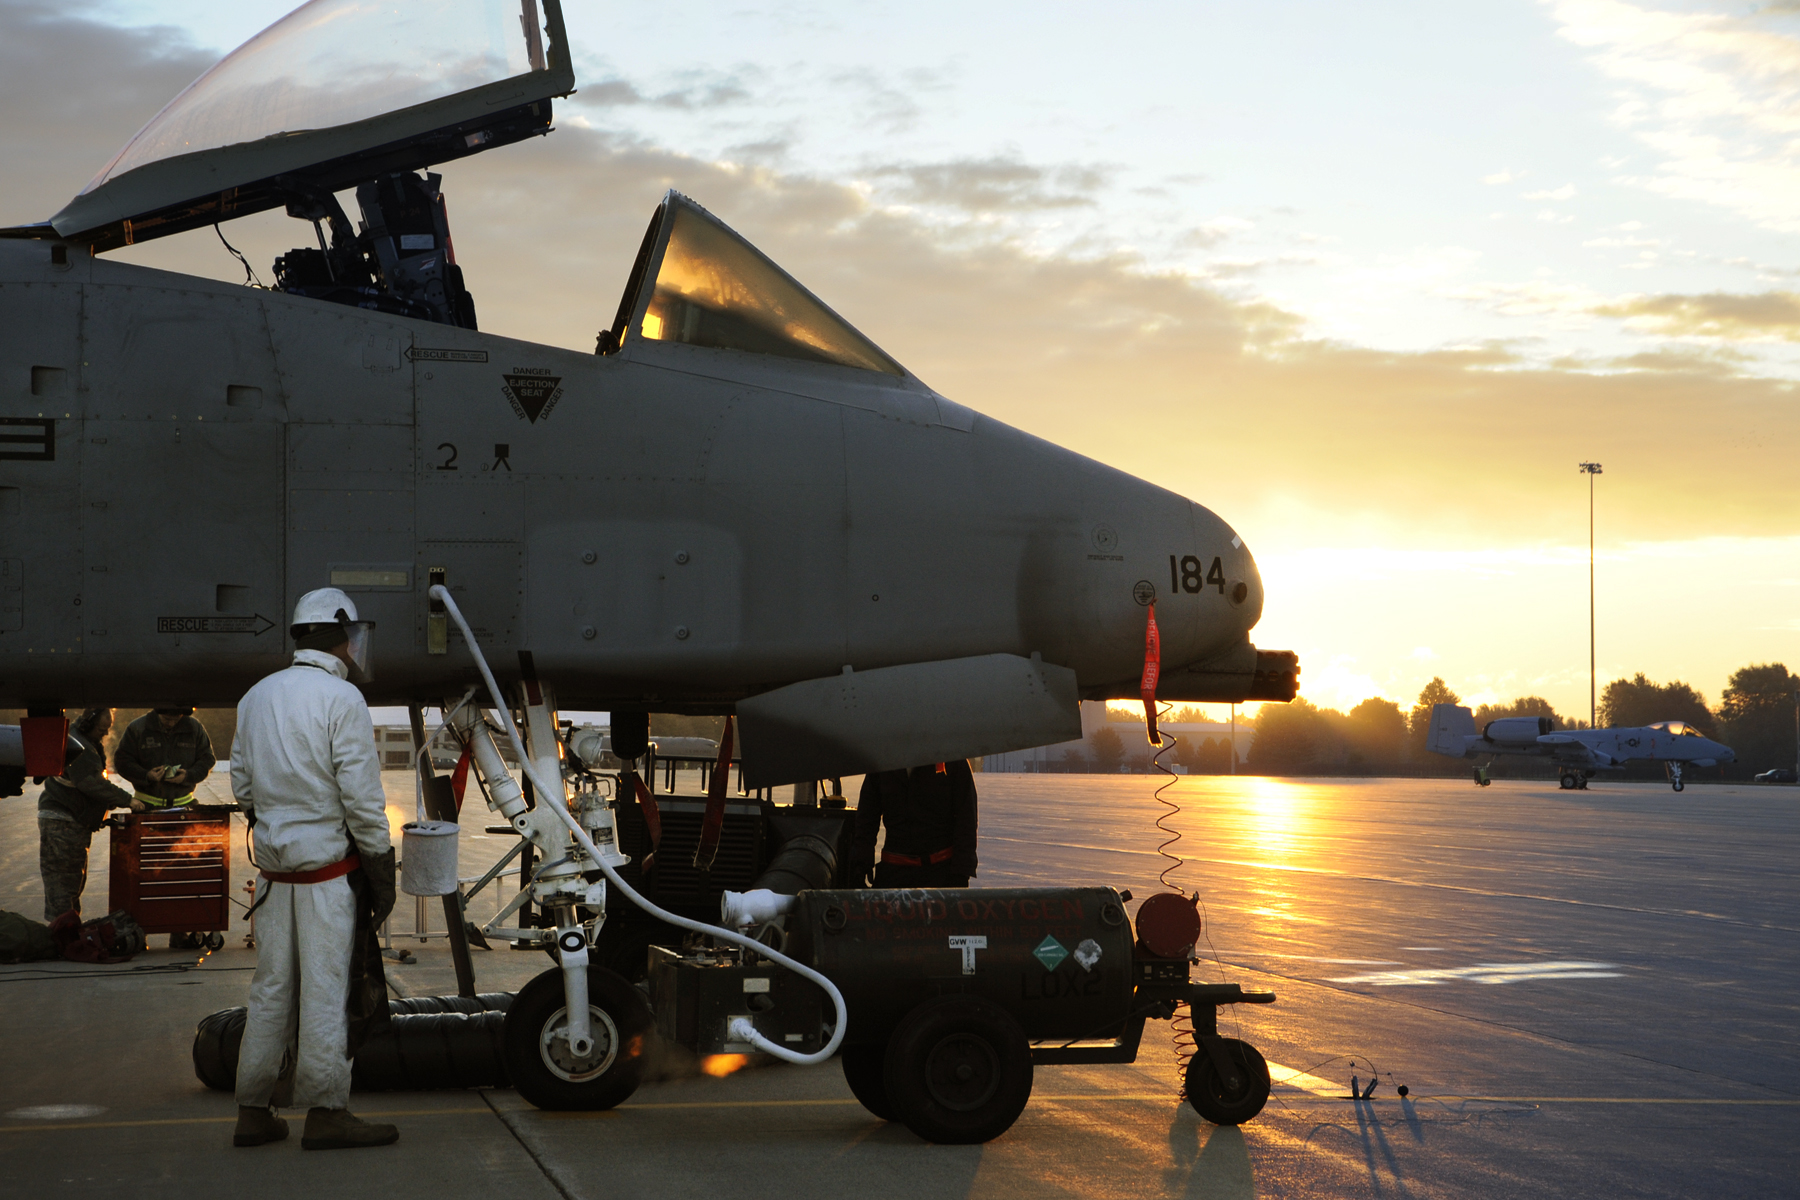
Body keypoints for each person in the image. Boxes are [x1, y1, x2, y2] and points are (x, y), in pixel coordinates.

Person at [231, 587, 398, 1151]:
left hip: (277, 881)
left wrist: (281, 825)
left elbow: (244, 787)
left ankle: (253, 1111)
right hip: (328, 880)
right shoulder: (342, 700)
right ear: (341, 636)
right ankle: (327, 1113)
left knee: (271, 990)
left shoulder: (255, 697)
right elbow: (362, 801)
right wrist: (380, 868)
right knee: (328, 992)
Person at [114, 705, 218, 948]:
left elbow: (207, 759)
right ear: (157, 712)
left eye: (176, 718)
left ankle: (180, 932)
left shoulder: (194, 728)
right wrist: (146, 775)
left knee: (183, 873)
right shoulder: (138, 728)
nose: (172, 723)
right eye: (167, 718)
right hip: (147, 810)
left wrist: (189, 775)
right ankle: (140, 933)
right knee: (142, 875)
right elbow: (122, 760)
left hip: (183, 809)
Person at [37, 707, 135, 920]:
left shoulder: (84, 742)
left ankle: (67, 929)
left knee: (72, 880)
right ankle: (61, 933)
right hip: (63, 823)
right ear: (88, 724)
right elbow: (92, 783)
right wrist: (129, 801)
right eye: (102, 728)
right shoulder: (78, 746)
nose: (105, 734)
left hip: (73, 822)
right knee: (63, 882)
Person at [851, 760, 979, 888]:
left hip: (939, 874)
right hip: (895, 873)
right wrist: (861, 862)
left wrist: (962, 871)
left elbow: (966, 820)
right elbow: (867, 817)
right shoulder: (882, 760)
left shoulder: (952, 759)